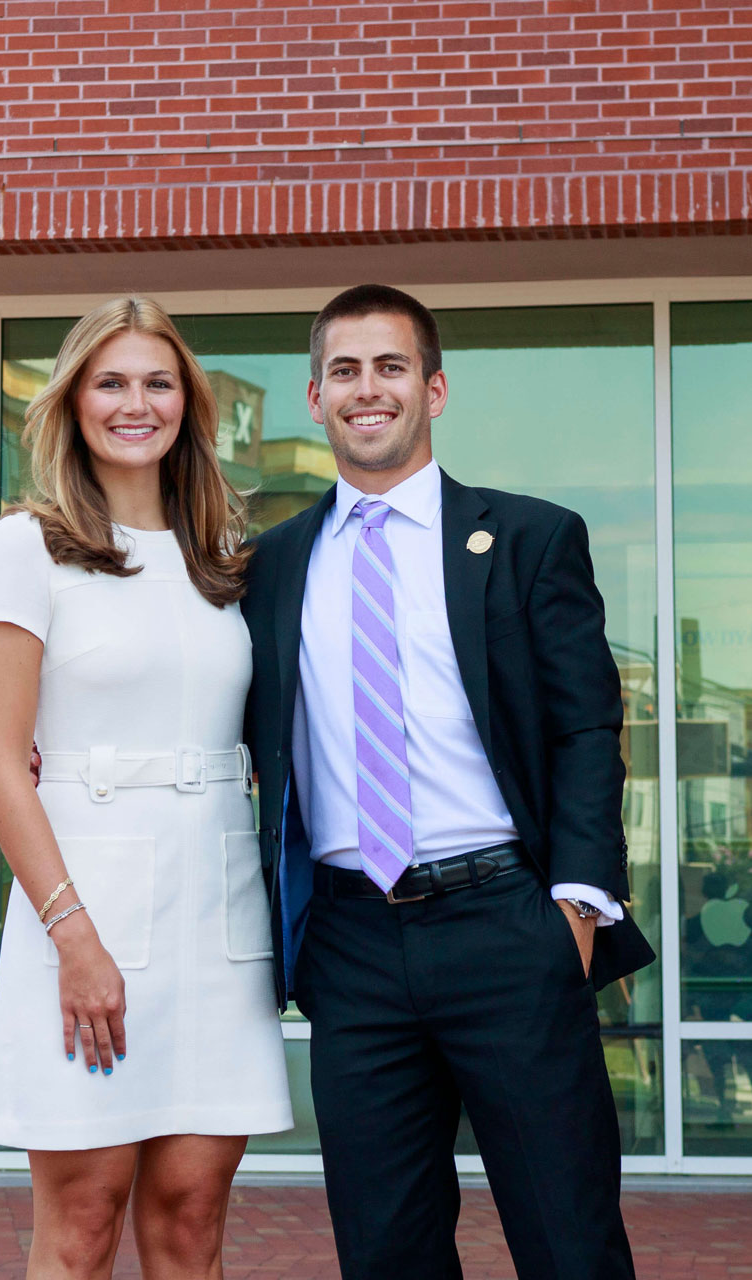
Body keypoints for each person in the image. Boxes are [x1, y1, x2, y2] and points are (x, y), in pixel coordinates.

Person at [241, 284, 656, 1279]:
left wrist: (577, 904)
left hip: (509, 926)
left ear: (434, 389)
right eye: (345, 370)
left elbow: (586, 726)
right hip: (350, 943)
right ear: (313, 396)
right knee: (387, 1251)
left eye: (390, 367)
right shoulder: (271, 565)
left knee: (567, 1240)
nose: (367, 389)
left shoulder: (526, 539)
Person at [0, 296, 292, 1279]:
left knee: (193, 1220)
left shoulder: (226, 560)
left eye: (158, 382)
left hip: (218, 918)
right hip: (87, 919)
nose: (135, 403)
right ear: (73, 402)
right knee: (84, 1220)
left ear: (189, 403)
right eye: (111, 382)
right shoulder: (28, 546)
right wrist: (74, 937)